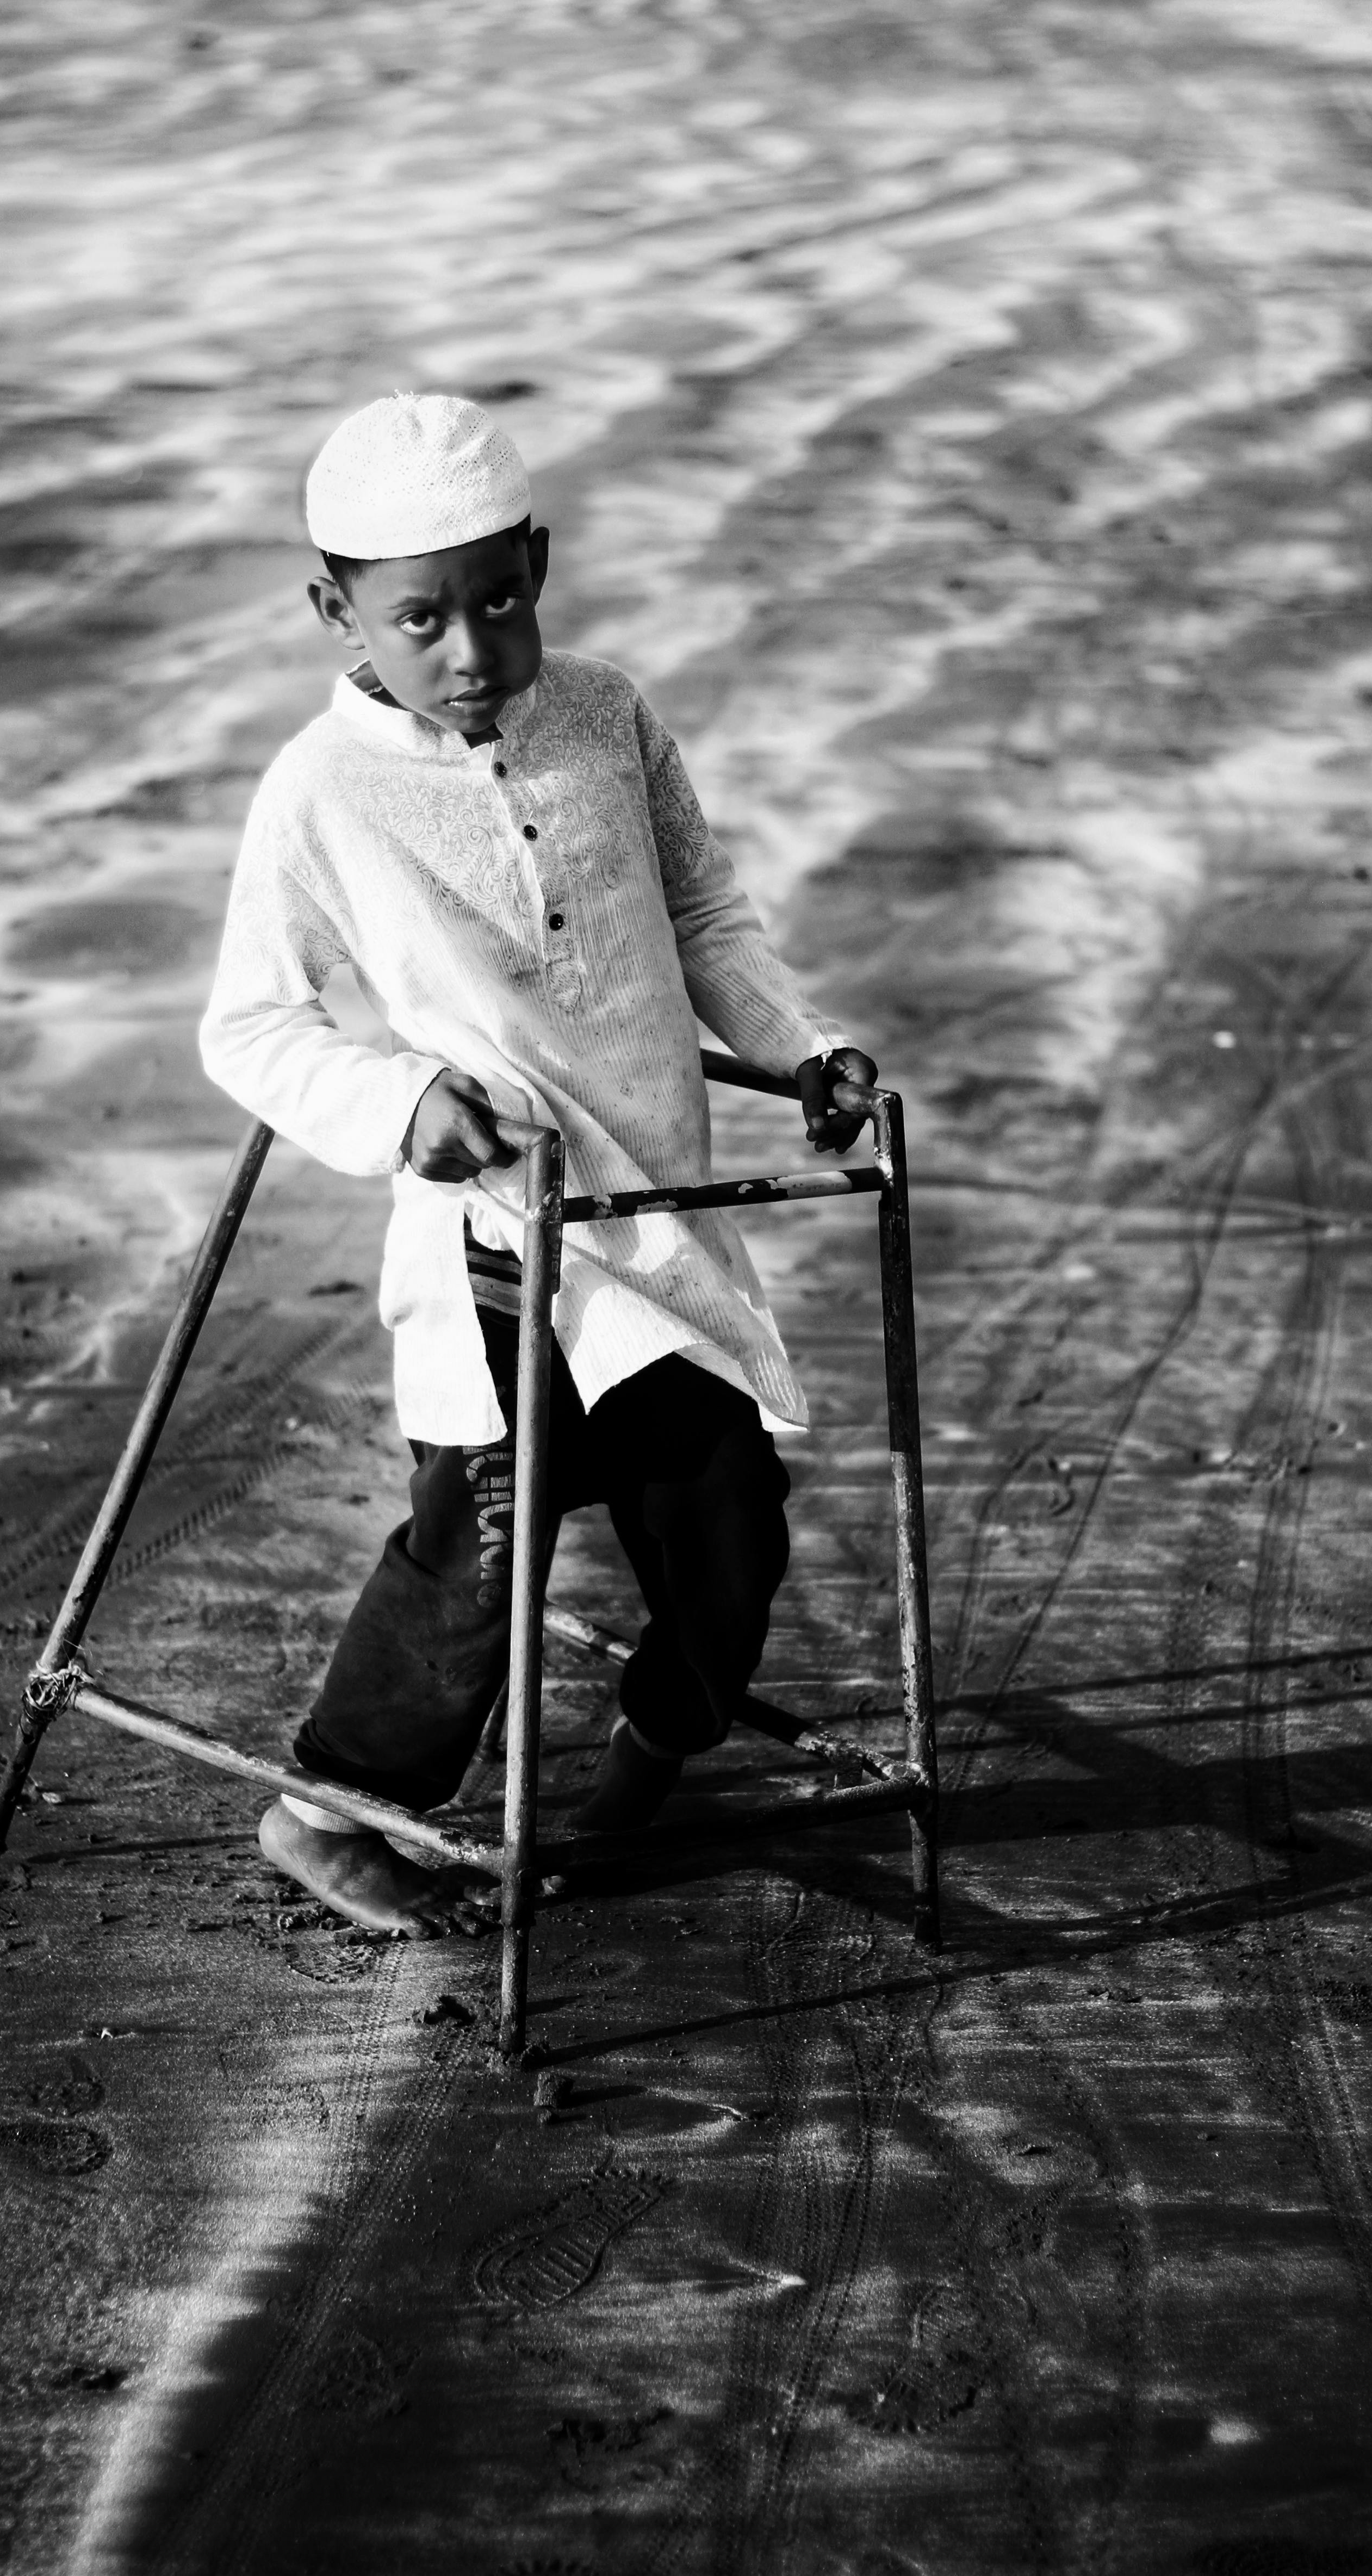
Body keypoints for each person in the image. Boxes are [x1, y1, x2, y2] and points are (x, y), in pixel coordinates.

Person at [201, 393, 876, 1935]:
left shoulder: (610, 717)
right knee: (483, 1547)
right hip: (495, 1242)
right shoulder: (320, 789)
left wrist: (806, 1051)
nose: (470, 650)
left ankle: (643, 1767)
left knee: (730, 1522)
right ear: (338, 613)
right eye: (420, 619)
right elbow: (251, 1028)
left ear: (541, 566)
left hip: (650, 1228)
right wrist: (401, 1103)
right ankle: (329, 1814)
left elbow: (706, 921)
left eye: (499, 600)